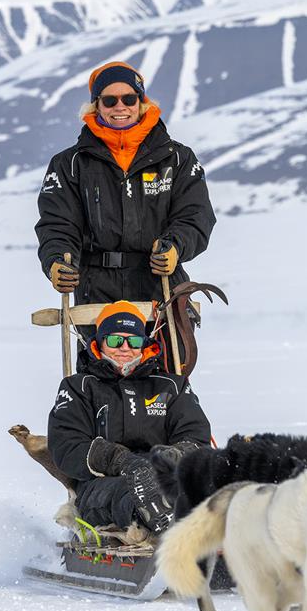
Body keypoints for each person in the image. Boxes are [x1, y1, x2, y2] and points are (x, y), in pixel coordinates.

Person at [36, 60, 216, 307]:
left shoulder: (177, 158)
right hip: (96, 289)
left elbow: (196, 215)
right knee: (104, 348)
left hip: (160, 284)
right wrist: (56, 261)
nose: (120, 106)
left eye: (129, 99)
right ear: (96, 106)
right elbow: (58, 223)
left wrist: (175, 247)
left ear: (142, 103)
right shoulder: (70, 163)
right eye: (109, 100)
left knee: (168, 348)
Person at [47, 301, 211, 533]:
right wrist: (121, 460)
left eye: (133, 341)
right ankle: (164, 524)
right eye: (115, 340)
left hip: (165, 474)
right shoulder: (79, 387)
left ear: (143, 344)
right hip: (102, 485)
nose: (125, 348)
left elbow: (196, 438)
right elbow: (67, 446)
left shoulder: (172, 386)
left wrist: (166, 459)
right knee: (135, 492)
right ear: (100, 342)